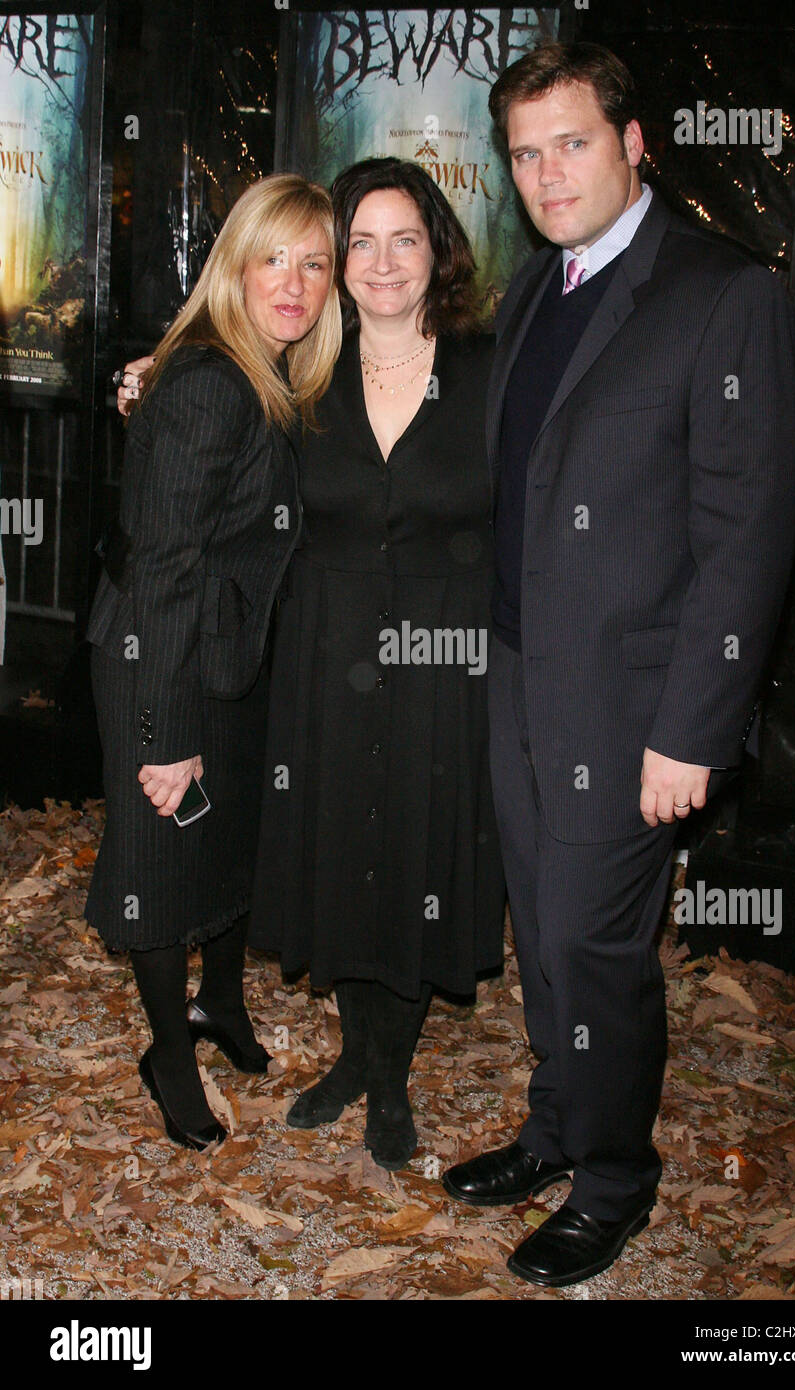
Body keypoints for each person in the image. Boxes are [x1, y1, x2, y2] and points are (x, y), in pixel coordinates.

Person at [442, 42, 795, 1286]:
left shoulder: (723, 293)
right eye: (524, 153)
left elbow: (748, 535)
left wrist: (694, 729)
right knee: (541, 933)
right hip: (519, 675)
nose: (547, 173)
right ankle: (555, 1129)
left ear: (633, 141)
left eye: (572, 143)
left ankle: (612, 1178)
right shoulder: (541, 287)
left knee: (596, 948)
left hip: (632, 706)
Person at [247, 158, 506, 1171]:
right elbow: (217, 392)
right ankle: (356, 1052)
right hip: (326, 649)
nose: (383, 261)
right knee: (339, 852)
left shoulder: (489, 369)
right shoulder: (304, 369)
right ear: (336, 257)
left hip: (447, 660)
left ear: (436, 247)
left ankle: (389, 1074)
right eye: (361, 240)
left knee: (411, 855)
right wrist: (142, 381)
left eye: (406, 238)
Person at [87, 174, 341, 1151]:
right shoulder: (209, 385)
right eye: (271, 257)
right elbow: (159, 575)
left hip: (229, 650)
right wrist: (168, 734)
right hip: (166, 660)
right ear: (232, 263)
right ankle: (168, 1054)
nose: (293, 281)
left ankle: (221, 1004)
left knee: (228, 841)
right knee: (158, 860)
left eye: (313, 263)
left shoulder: (265, 371)